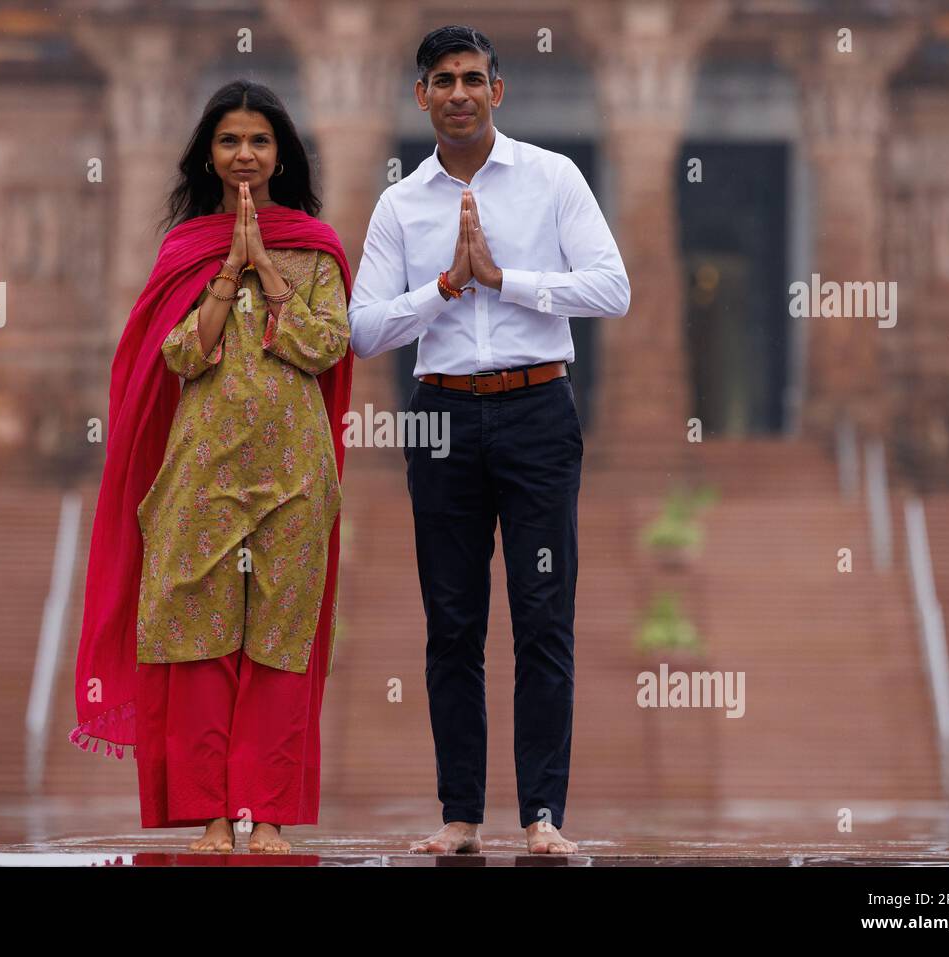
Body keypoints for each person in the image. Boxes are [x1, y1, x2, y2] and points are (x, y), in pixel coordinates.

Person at [348, 26, 631, 854]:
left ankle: (543, 817)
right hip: (440, 414)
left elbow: (612, 288)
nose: (460, 93)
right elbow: (364, 330)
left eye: (474, 78)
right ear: (422, 97)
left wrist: (507, 279)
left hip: (538, 408)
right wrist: (444, 287)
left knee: (544, 616)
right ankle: (460, 816)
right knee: (451, 621)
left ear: (497, 91)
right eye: (443, 80)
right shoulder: (401, 203)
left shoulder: (552, 179)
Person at [68, 79, 354, 855]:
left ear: (282, 156)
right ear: (208, 156)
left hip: (296, 472)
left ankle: (266, 813)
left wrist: (268, 267)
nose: (244, 154)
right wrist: (228, 273)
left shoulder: (318, 250)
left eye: (259, 140)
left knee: (279, 640)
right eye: (229, 141)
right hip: (199, 471)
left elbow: (326, 344)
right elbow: (179, 354)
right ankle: (213, 817)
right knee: (198, 637)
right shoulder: (185, 251)